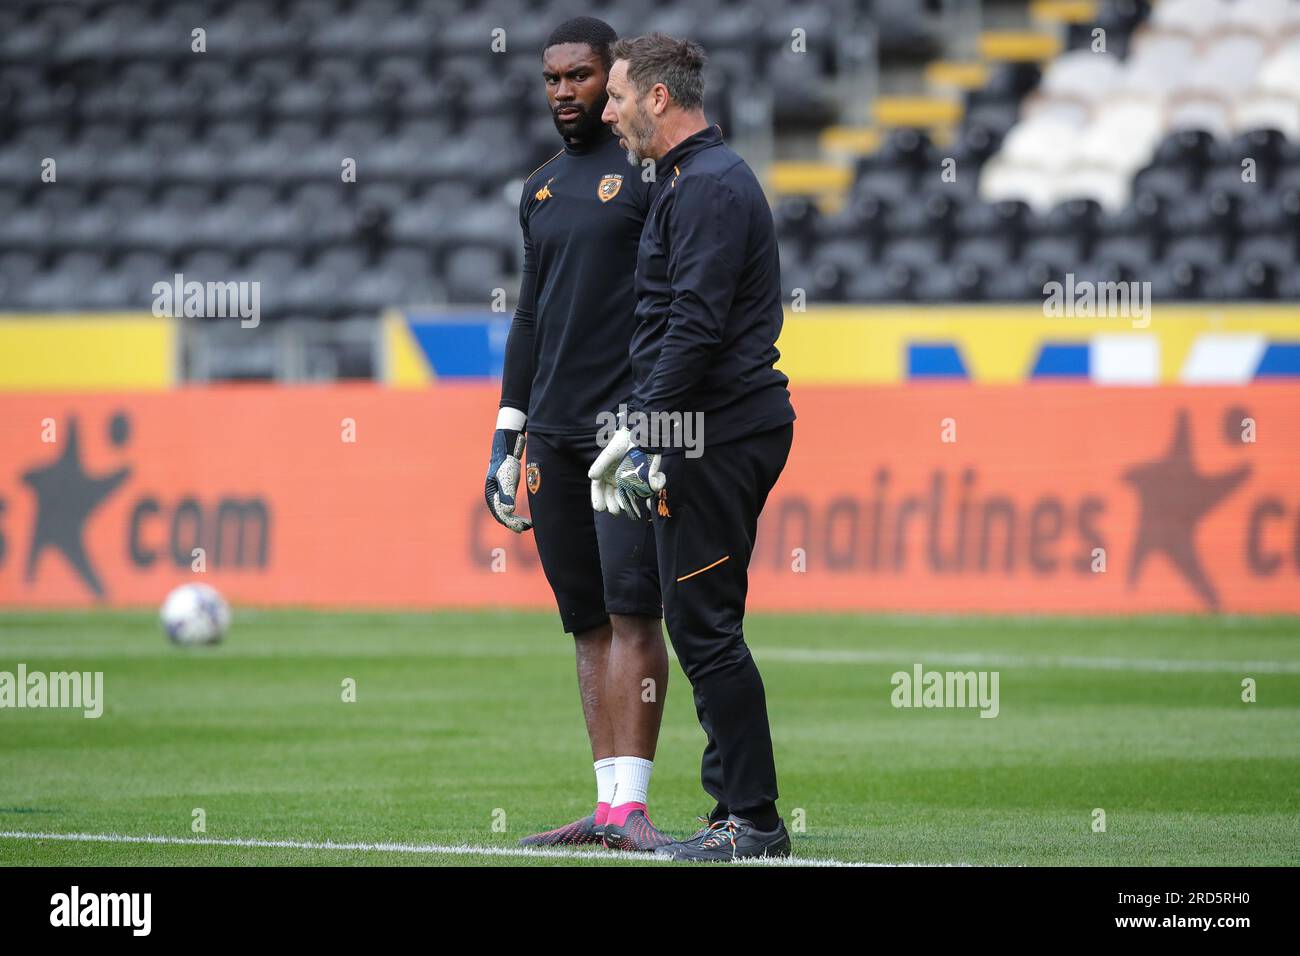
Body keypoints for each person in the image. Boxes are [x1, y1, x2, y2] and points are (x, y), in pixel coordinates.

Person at [589, 32, 798, 861]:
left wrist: (645, 428)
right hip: (706, 426)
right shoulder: (691, 179)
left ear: (659, 99)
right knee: (698, 619)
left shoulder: (707, 186)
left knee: (705, 625)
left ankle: (753, 820)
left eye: (615, 96)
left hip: (719, 430)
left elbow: (697, 326)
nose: (608, 112)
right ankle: (737, 812)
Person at [483, 17, 675, 851]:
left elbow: (676, 306)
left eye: (582, 76)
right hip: (553, 437)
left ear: (613, 79)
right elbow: (529, 316)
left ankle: (634, 806)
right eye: (554, 78)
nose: (565, 91)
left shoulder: (648, 179)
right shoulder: (540, 188)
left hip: (622, 435)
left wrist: (652, 419)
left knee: (636, 613)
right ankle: (605, 809)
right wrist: (506, 436)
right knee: (585, 621)